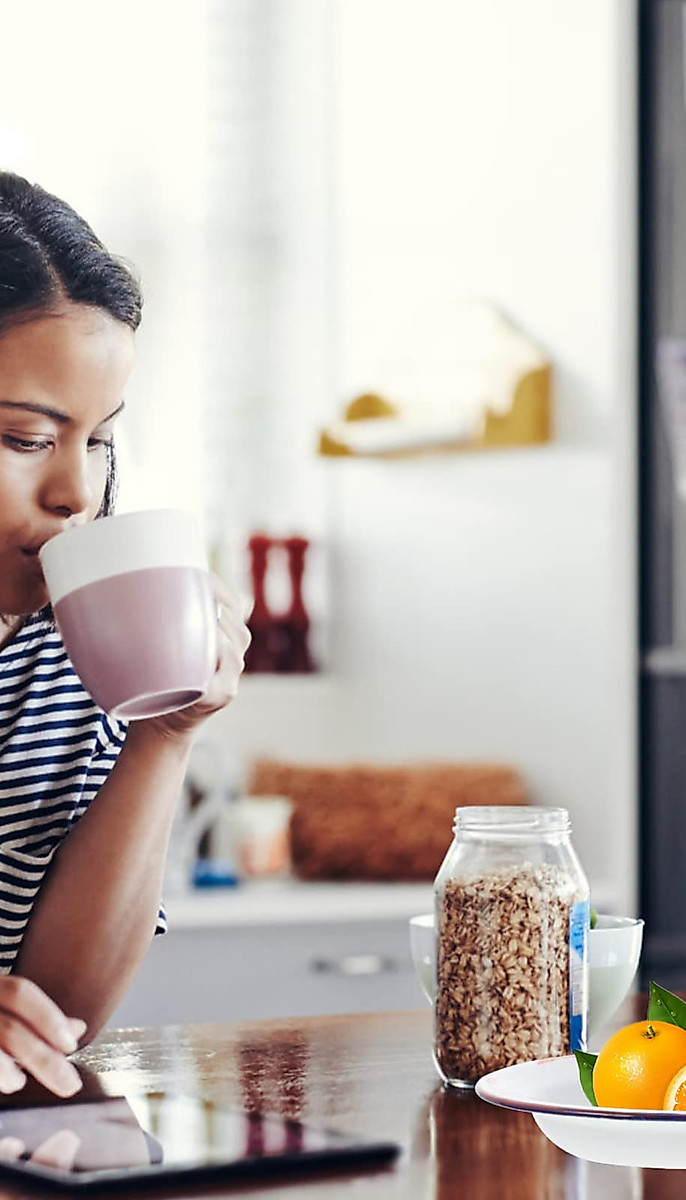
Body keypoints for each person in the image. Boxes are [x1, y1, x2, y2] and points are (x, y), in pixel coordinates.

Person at [0, 172, 250, 1098]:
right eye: (27, 439)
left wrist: (163, 733)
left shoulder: (69, 646)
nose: (77, 493)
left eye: (99, 440)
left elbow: (55, 1017)